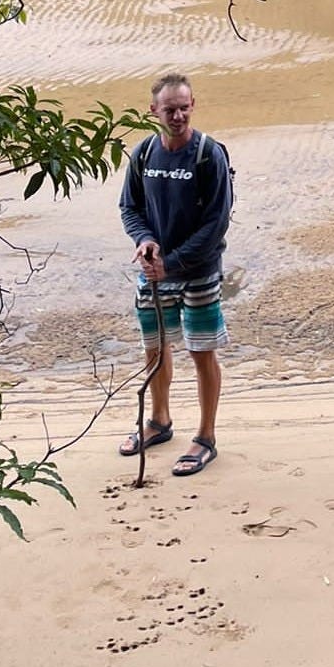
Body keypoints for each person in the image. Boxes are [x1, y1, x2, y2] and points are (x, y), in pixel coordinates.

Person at [118, 71, 233, 477]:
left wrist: (175, 261)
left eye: (184, 107)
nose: (178, 115)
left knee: (202, 351)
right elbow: (129, 209)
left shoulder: (208, 154)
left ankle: (205, 437)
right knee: (155, 348)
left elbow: (216, 223)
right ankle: (159, 421)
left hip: (198, 272)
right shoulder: (144, 153)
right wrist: (145, 241)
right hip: (153, 271)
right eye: (170, 109)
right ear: (154, 111)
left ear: (193, 105)